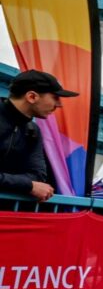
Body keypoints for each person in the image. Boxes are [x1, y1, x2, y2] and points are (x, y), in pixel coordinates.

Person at [0, 70, 76, 202]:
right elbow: (33, 183)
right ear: (32, 97)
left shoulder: (33, 130)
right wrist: (27, 185)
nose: (59, 105)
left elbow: (37, 176)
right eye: (55, 97)